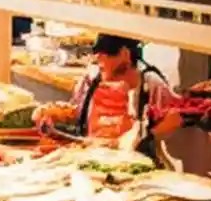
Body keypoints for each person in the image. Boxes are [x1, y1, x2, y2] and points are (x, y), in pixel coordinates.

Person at [34, 33, 181, 159]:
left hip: (135, 167)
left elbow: (174, 121)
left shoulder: (152, 85)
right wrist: (53, 113)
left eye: (105, 53)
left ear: (125, 54)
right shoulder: (90, 81)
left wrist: (137, 138)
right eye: (96, 52)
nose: (97, 58)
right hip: (89, 160)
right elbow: (77, 112)